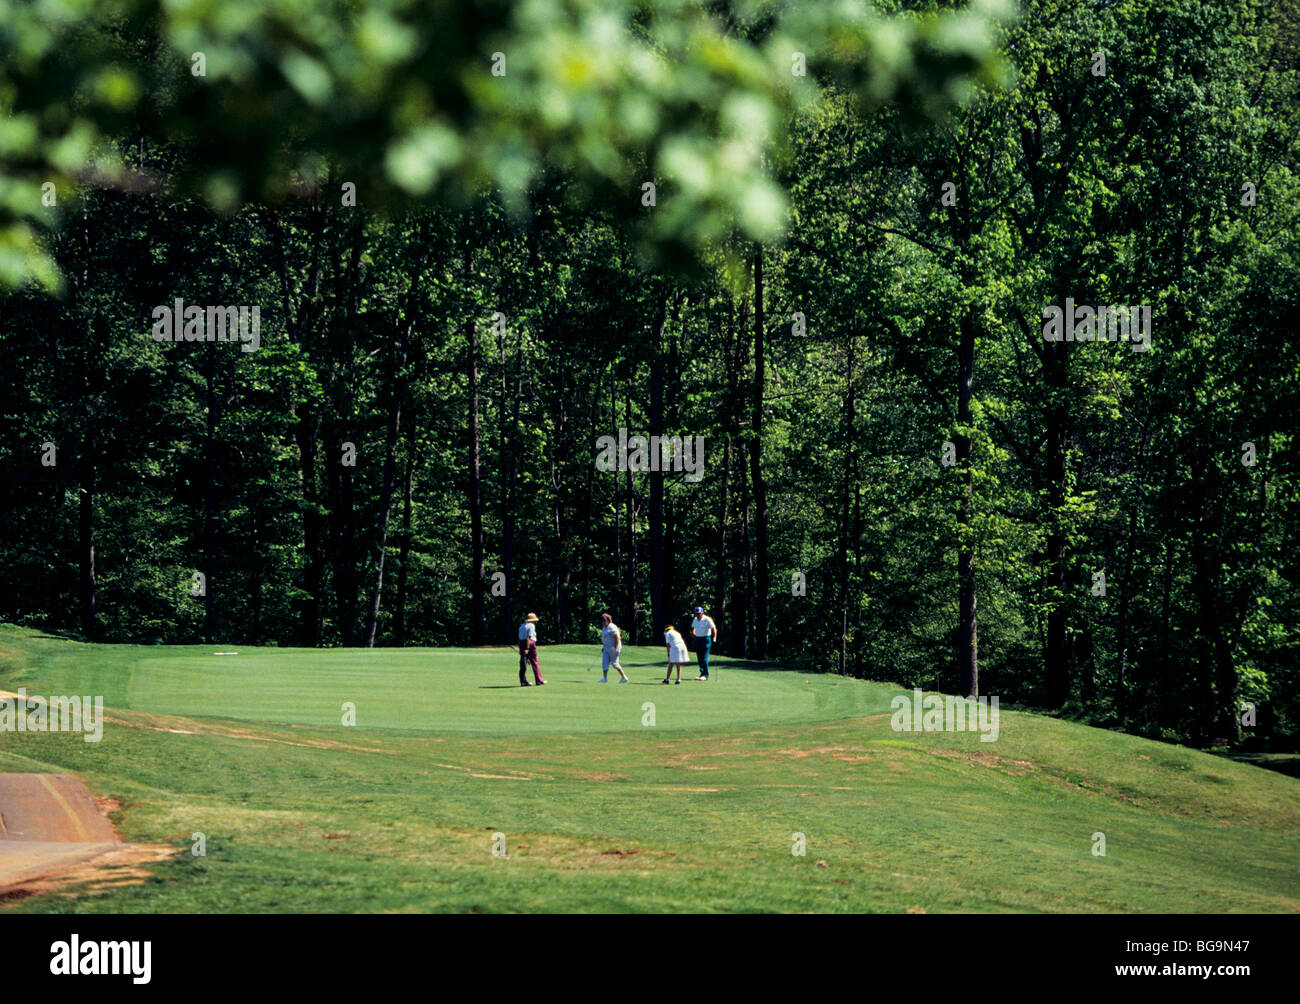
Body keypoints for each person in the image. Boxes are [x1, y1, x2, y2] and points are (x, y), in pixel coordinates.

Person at [597, 612, 630, 683]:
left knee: (615, 664)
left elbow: (617, 638)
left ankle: (624, 677)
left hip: (614, 648)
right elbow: (606, 639)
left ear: (608, 620)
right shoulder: (604, 628)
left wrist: (614, 648)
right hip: (606, 648)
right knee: (604, 663)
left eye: (604, 620)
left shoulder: (612, 627)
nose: (603, 622)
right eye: (602, 620)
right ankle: (604, 678)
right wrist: (604, 646)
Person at [517, 612, 546, 687]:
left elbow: (520, 639)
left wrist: (521, 649)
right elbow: (528, 637)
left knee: (523, 663)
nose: (535, 622)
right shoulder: (531, 626)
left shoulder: (521, 626)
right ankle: (539, 680)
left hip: (522, 644)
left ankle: (523, 681)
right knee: (534, 662)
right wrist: (527, 648)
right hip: (530, 644)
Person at [690, 606, 717, 680]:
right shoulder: (695, 619)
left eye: (699, 614)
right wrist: (693, 634)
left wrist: (714, 638)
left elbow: (714, 628)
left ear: (702, 613)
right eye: (696, 614)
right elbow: (693, 628)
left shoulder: (707, 619)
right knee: (699, 657)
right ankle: (702, 673)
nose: (698, 615)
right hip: (698, 639)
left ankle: (706, 674)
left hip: (706, 639)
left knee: (704, 657)